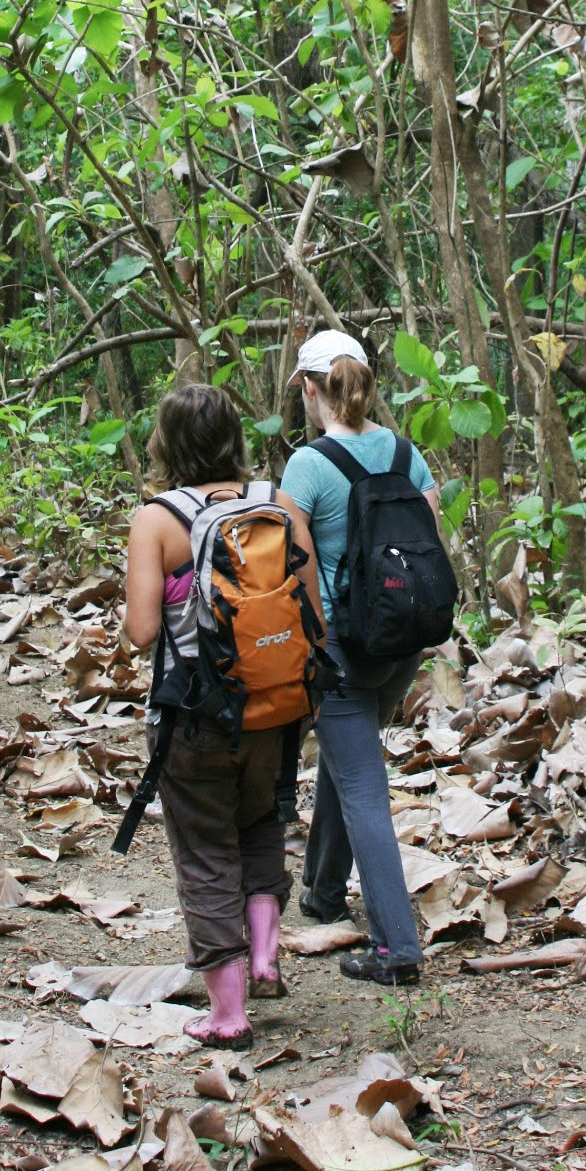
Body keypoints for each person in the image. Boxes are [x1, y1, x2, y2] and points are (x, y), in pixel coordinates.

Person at [124, 383, 322, 1048]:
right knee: (262, 821)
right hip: (279, 707)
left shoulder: (157, 519)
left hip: (196, 717)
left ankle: (228, 1012)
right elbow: (312, 612)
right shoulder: (279, 505)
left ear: (165, 444)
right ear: (234, 439)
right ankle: (264, 958)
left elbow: (141, 631)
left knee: (206, 850)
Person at [280, 330, 440, 987]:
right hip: (401, 643)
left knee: (364, 787)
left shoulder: (307, 467)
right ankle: (321, 892)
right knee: (353, 763)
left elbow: (296, 571)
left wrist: (314, 649)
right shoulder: (407, 455)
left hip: (340, 646)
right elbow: (429, 544)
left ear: (312, 390)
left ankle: (395, 948)